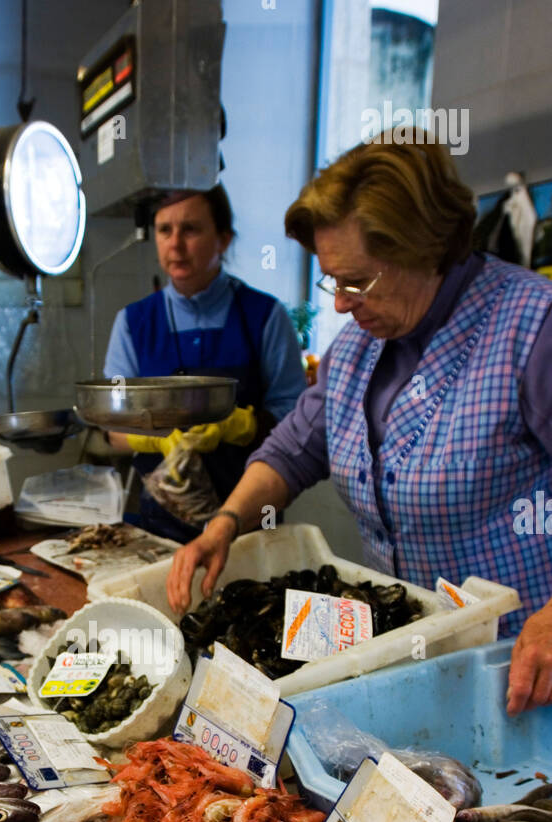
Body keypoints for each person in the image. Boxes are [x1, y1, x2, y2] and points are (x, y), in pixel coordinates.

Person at [166, 137, 552, 715]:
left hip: (521, 669)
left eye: (357, 281)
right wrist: (225, 521)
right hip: (405, 661)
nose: (342, 304)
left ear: (424, 249)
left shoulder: (531, 328)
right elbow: (294, 449)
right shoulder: (356, 348)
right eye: (332, 282)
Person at [103, 186, 307, 543]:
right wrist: (154, 438)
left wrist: (241, 425)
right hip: (159, 526)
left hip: (251, 524)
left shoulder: (265, 317)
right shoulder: (133, 323)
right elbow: (110, 428)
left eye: (191, 229)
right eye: (165, 230)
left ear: (224, 239)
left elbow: (297, 418)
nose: (175, 244)